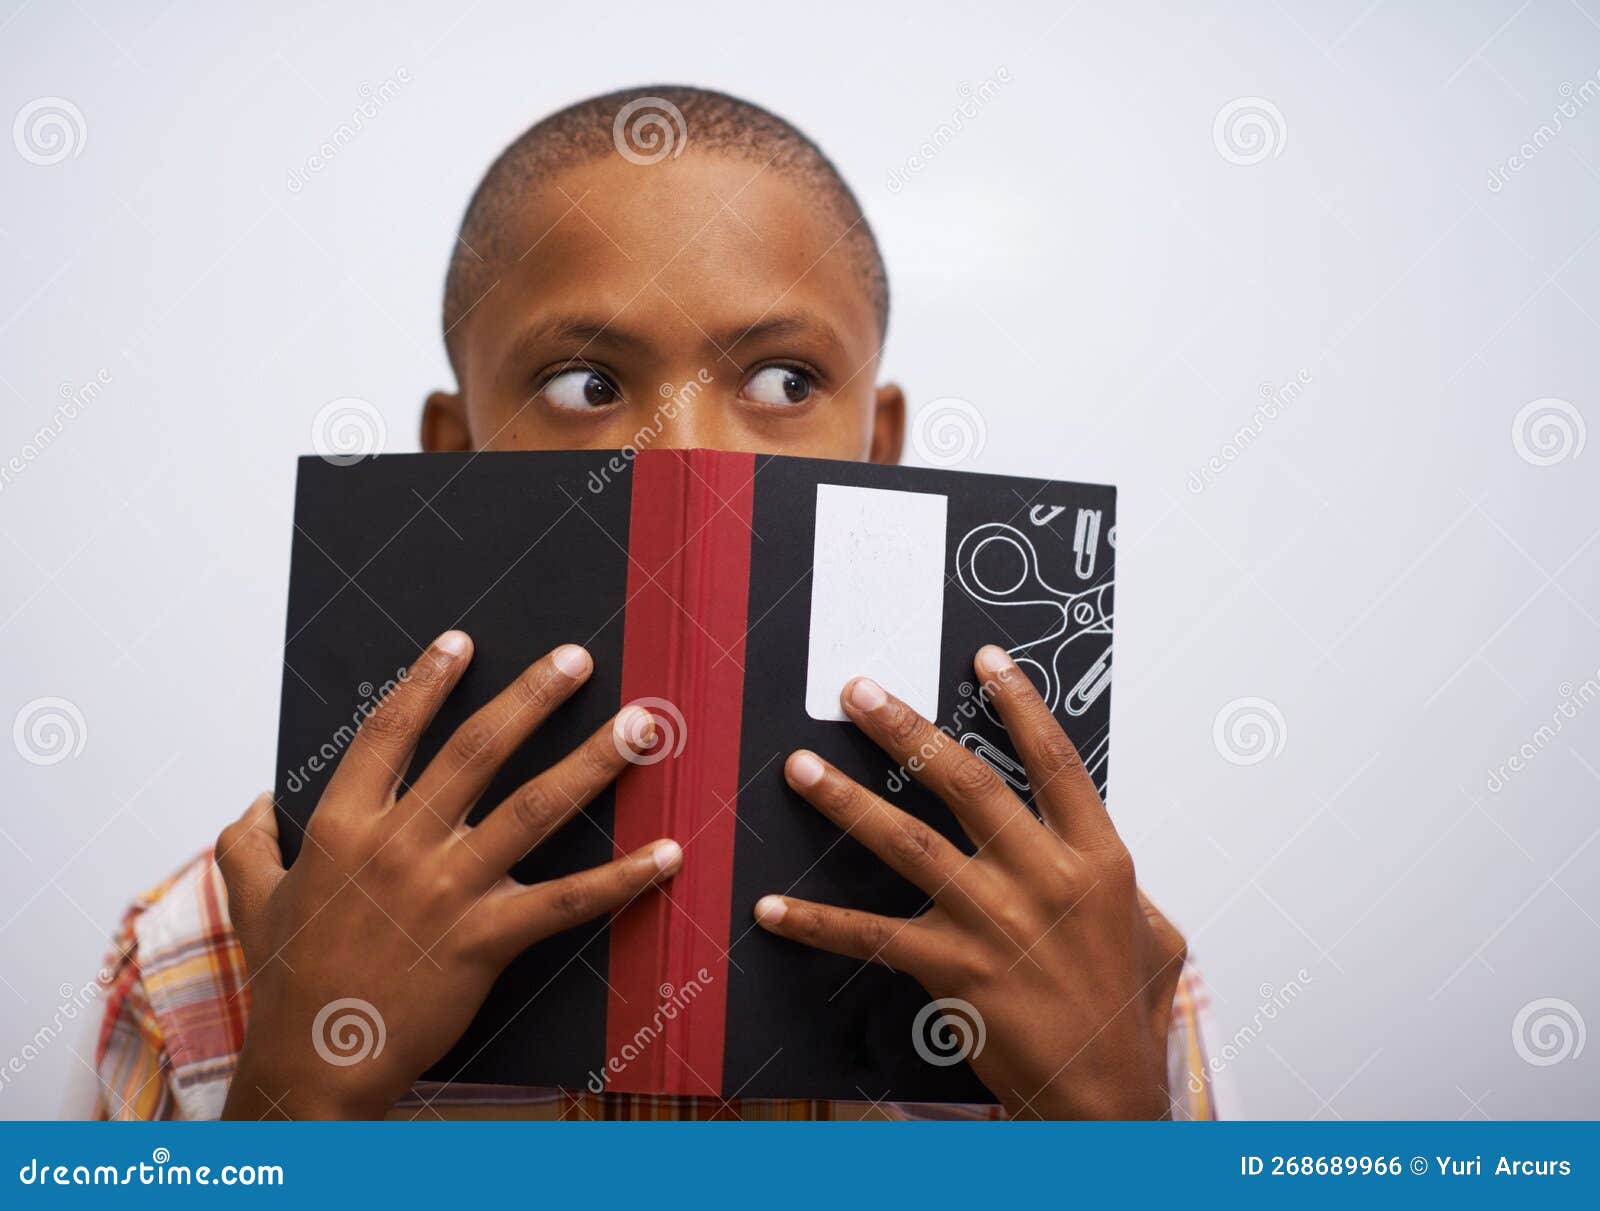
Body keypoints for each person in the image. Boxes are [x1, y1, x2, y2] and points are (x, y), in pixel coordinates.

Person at [92, 85, 1216, 1121]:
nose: (685, 460)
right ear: (451, 453)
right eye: (585, 384)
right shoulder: (222, 946)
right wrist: (295, 1084)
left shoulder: (1082, 951)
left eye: (783, 380)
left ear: (883, 449)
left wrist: (1111, 1111)